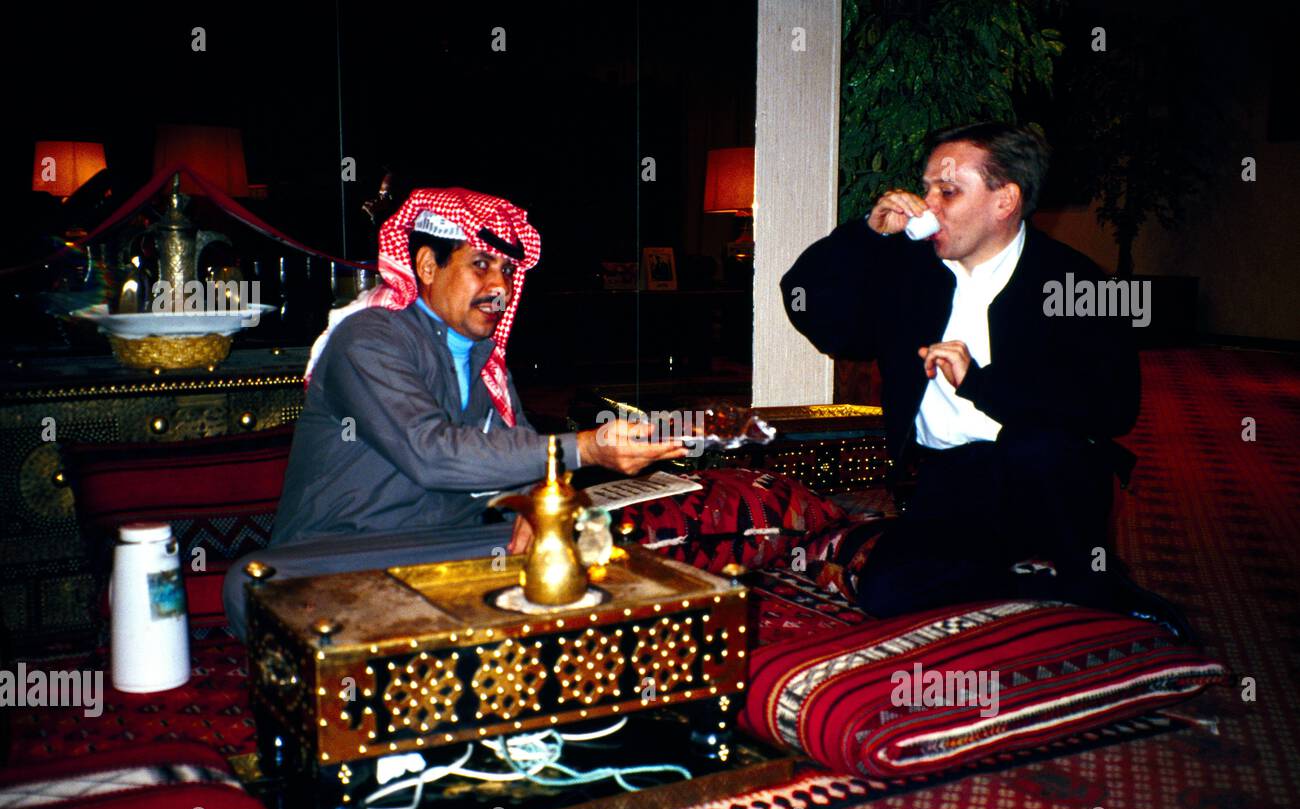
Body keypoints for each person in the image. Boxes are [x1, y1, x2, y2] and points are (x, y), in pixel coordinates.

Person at [223, 187, 682, 638]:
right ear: (426, 265)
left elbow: (517, 451)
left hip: (443, 550)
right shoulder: (367, 339)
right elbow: (431, 453)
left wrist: (538, 504)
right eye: (480, 265)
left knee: (585, 548)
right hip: (343, 552)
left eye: (506, 270)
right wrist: (587, 448)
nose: (499, 287)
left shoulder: (486, 360)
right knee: (256, 581)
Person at [781, 122, 1175, 626]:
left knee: (1038, 448)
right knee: (888, 592)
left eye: (947, 191)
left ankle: (1086, 574)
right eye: (926, 188)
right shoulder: (906, 272)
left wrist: (981, 385)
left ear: (1004, 200)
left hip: (1050, 477)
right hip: (952, 474)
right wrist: (864, 236)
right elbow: (810, 309)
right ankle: (1038, 581)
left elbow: (1114, 407)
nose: (927, 205)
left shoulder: (1079, 284)